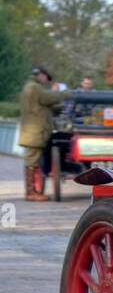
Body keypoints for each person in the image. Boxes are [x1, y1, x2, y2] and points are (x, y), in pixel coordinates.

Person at [18, 65, 61, 201]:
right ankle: (31, 192)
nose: (46, 80)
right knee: (31, 161)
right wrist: (65, 94)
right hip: (34, 131)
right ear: (40, 75)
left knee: (32, 161)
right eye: (46, 77)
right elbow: (48, 98)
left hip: (32, 131)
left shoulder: (30, 86)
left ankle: (32, 191)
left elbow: (44, 105)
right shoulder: (34, 87)